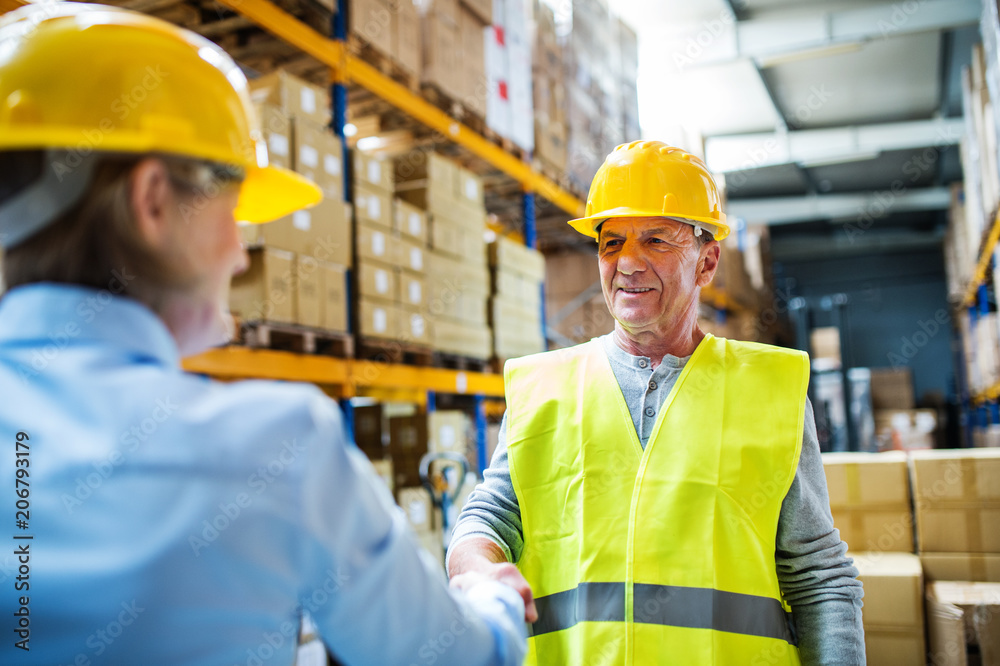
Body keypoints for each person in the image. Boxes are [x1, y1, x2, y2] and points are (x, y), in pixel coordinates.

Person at [0, 4, 526, 664]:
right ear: (154, 201)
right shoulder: (275, 450)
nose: (242, 256)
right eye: (234, 214)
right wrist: (493, 596)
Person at [447, 141, 866, 664]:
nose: (627, 262)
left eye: (655, 240)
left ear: (707, 261)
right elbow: (488, 517)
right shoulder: (544, 388)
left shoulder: (769, 390)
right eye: (611, 242)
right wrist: (479, 567)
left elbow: (819, 578)